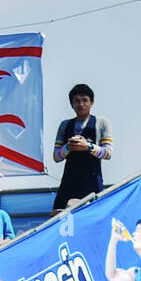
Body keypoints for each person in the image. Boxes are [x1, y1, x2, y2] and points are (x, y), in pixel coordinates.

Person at [52, 83, 112, 211]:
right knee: (60, 216)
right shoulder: (65, 125)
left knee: (95, 214)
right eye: (77, 101)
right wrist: (68, 147)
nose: (81, 104)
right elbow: (56, 156)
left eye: (85, 100)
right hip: (69, 180)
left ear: (92, 102)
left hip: (93, 179)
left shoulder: (102, 123)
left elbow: (108, 153)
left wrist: (88, 147)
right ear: (72, 104)